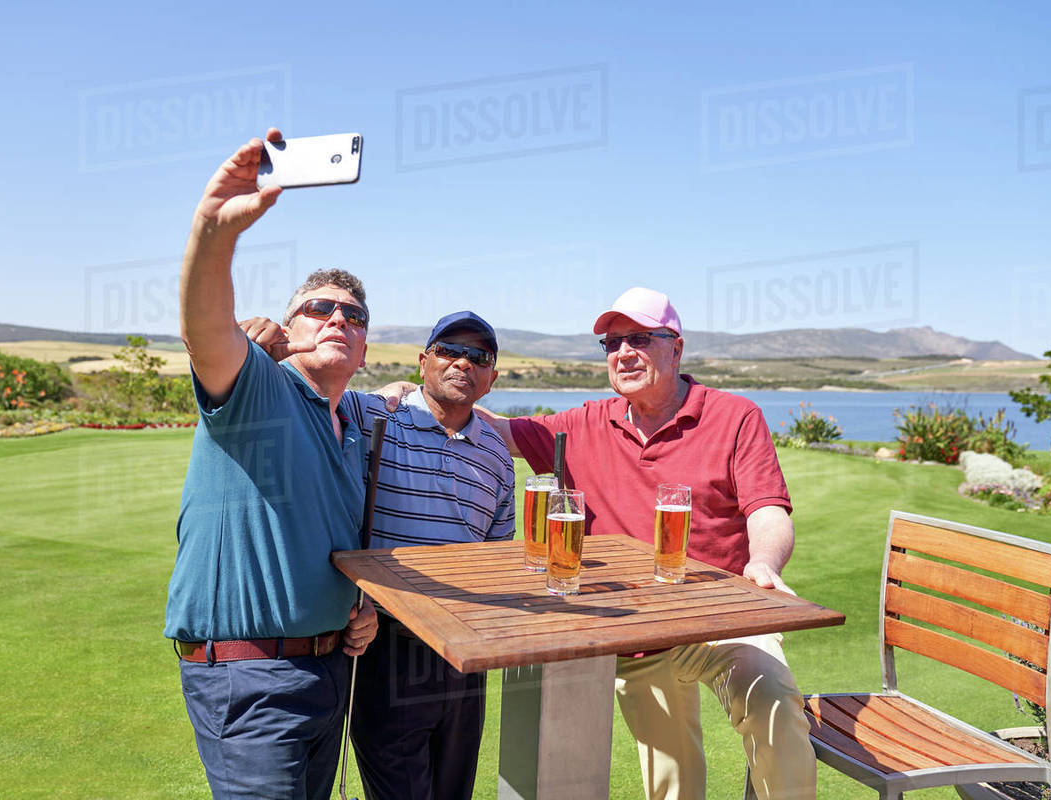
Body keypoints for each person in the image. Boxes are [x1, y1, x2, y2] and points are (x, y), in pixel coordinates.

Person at [475, 286, 815, 800]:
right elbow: (494, 429)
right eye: (611, 344)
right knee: (672, 781)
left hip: (722, 621)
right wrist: (410, 395)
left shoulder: (734, 415)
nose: (623, 353)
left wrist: (764, 562)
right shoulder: (584, 424)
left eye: (638, 338)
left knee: (773, 706)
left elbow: (768, 509)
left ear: (675, 348)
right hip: (637, 632)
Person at [164, 128, 379, 800]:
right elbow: (207, 327)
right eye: (319, 308)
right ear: (287, 329)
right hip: (250, 682)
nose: (337, 317)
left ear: (366, 346)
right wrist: (213, 231)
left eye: (353, 314)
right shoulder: (257, 385)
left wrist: (358, 605)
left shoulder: (354, 427)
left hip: (326, 672)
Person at [240, 310, 515, 800]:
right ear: (423, 361)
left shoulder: (496, 453)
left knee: (455, 789)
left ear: (491, 377)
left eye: (479, 357)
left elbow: (495, 559)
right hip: (385, 642)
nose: (463, 363)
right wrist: (264, 354)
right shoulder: (371, 415)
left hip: (463, 648)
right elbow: (304, 397)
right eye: (449, 350)